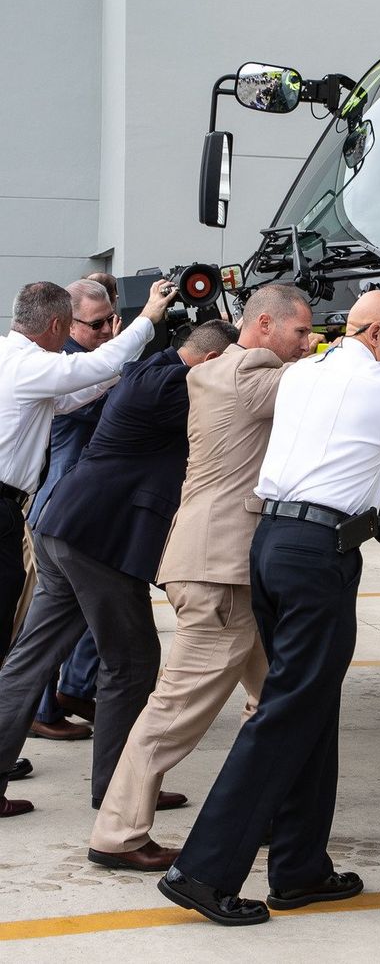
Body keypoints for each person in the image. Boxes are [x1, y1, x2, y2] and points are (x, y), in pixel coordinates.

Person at [159, 291, 380, 926]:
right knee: (289, 711)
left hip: (271, 544)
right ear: (376, 334)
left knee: (312, 706)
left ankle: (299, 869)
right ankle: (205, 870)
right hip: (317, 553)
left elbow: (363, 394)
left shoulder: (305, 372)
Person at [87, 285, 313, 872]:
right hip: (222, 573)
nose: (307, 342)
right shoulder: (253, 377)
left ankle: (261, 813)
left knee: (275, 700)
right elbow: (328, 385)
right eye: (299, 332)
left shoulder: (211, 373)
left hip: (219, 565)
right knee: (174, 712)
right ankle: (117, 833)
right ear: (263, 325)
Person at [0, 319, 238, 819]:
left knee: (30, 660)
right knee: (131, 663)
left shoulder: (156, 368)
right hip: (98, 539)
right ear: (213, 363)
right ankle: (118, 794)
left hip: (64, 525)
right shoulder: (173, 389)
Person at [0, 279, 175, 668]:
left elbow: (67, 398)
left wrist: (119, 372)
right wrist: (147, 318)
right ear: (58, 327)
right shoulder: (30, 365)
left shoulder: (11, 357)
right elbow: (93, 367)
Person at [28, 279, 120, 743]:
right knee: (53, 623)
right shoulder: (61, 367)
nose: (107, 331)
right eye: (97, 323)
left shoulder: (84, 362)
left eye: (112, 320)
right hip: (62, 510)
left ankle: (72, 692)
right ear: (66, 323)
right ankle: (44, 709)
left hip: (80, 510)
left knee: (84, 615)